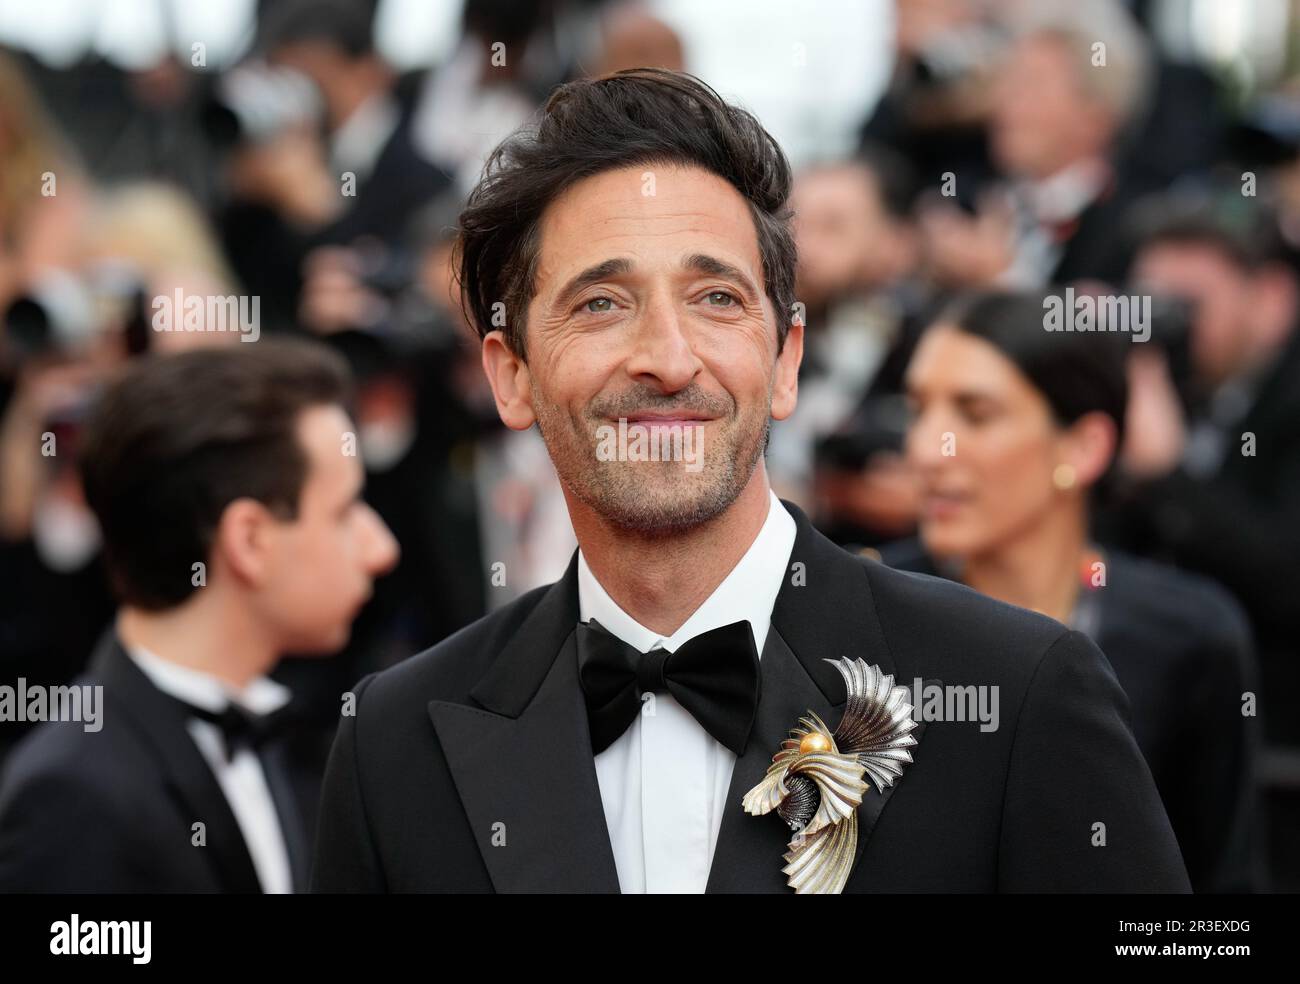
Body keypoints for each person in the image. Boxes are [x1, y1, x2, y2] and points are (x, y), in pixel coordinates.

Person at [311, 68, 1188, 894]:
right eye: (601, 304)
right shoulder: (395, 742)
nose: (666, 358)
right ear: (511, 376)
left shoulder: (1019, 690)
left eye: (717, 299)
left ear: (784, 361)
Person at [885, 290, 1261, 893]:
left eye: (975, 414)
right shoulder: (868, 606)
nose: (928, 450)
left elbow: (1223, 889)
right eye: (918, 411)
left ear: (1083, 447)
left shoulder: (1190, 635)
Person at [0, 341, 399, 891]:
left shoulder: (301, 740)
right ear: (250, 540)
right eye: (344, 511)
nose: (381, 548)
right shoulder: (70, 793)